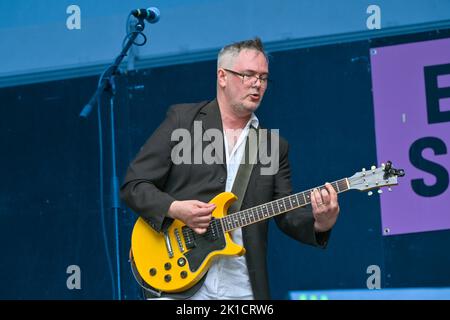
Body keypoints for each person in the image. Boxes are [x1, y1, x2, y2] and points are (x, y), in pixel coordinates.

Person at [120, 37, 340, 300]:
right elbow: (134, 185)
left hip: (242, 288)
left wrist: (319, 223)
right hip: (179, 282)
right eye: (248, 75)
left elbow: (286, 213)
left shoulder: (272, 145)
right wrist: (176, 209)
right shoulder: (183, 121)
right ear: (222, 76)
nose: (257, 84)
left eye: (263, 77)